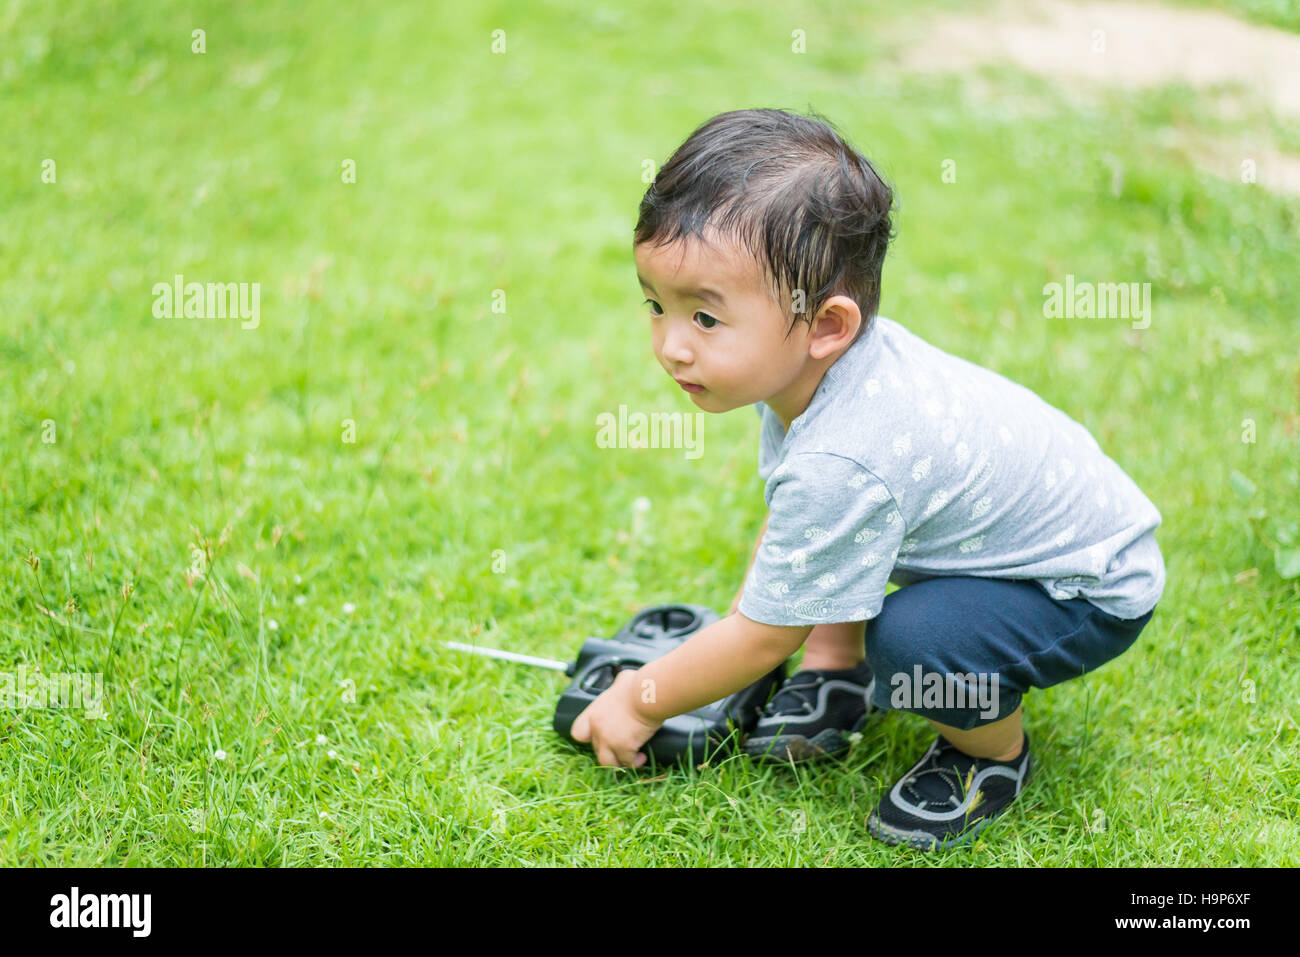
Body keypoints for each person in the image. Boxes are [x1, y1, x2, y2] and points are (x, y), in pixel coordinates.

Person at [570, 107, 1164, 851]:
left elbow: (760, 637)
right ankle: (836, 667)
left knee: (915, 639)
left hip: (1084, 588)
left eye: (705, 319)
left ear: (827, 324)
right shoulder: (817, 370)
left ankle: (989, 755)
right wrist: (815, 651)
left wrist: (642, 695)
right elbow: (807, 538)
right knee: (839, 552)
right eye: (657, 306)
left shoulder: (846, 449)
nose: (670, 346)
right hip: (1056, 542)